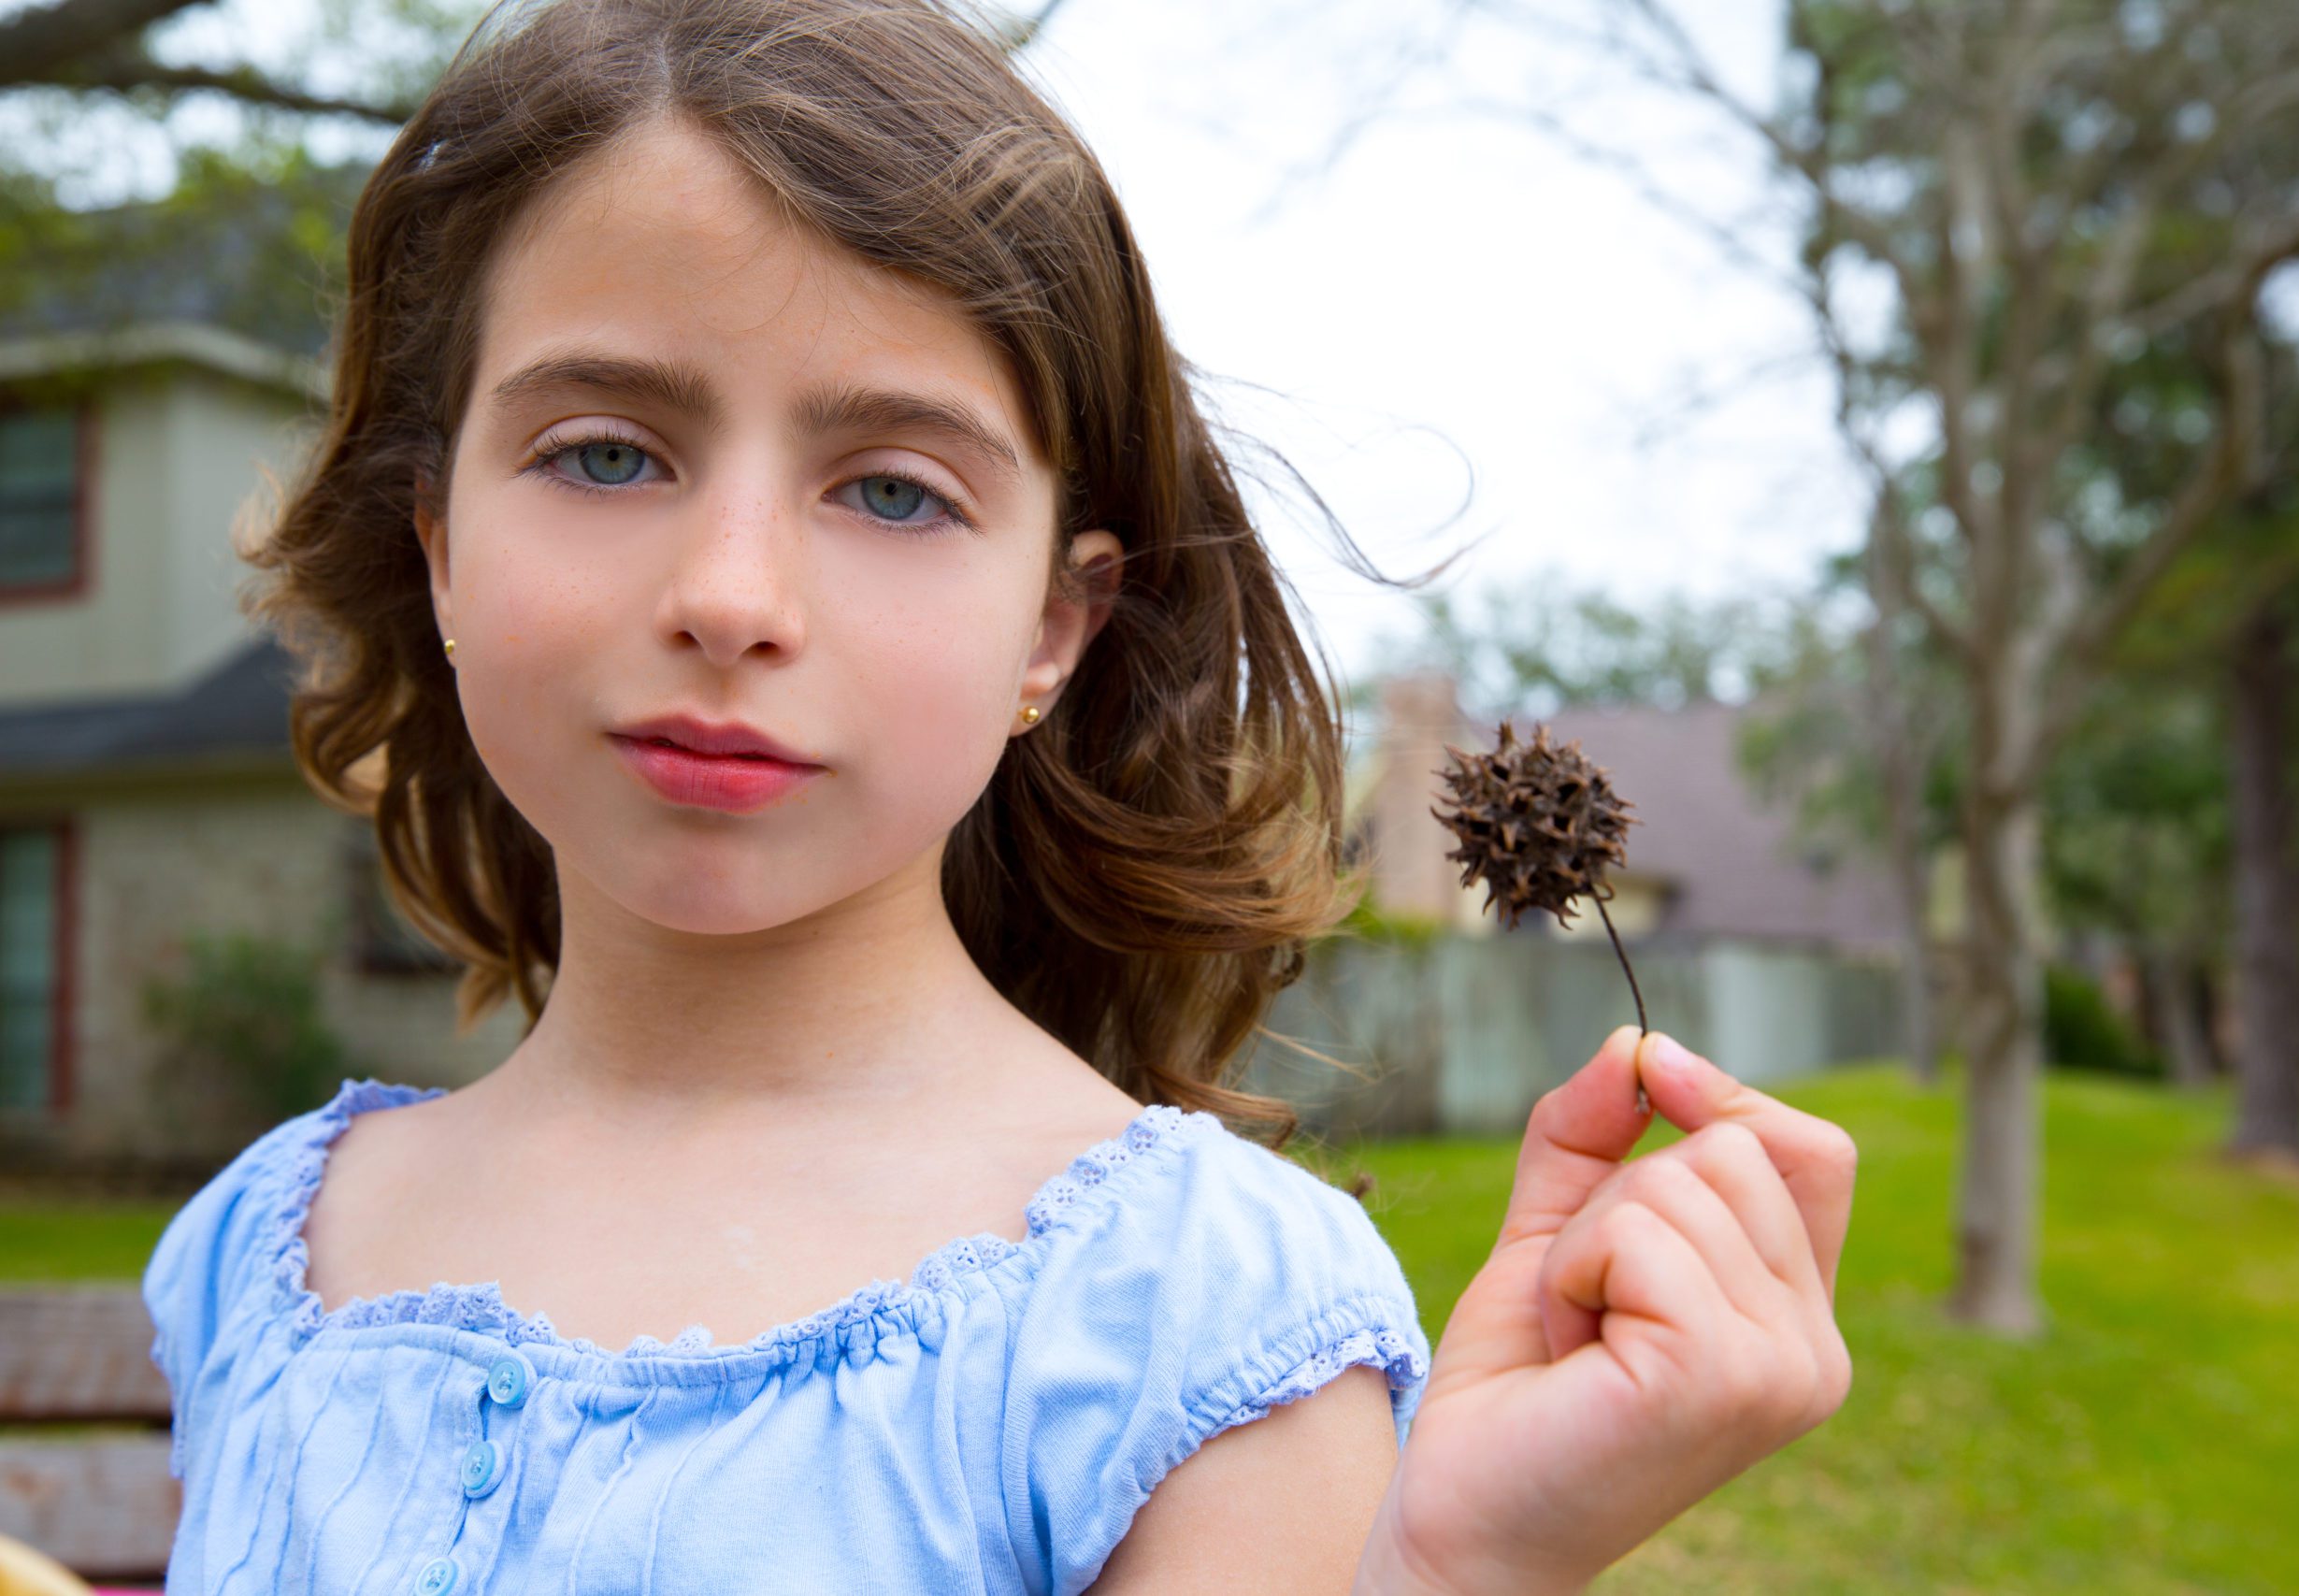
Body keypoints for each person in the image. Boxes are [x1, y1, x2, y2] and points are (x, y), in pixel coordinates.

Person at [138, 0, 1859, 1590]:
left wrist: (1451, 1574)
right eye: (606, 453)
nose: (732, 595)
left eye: (891, 491)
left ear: (1054, 625)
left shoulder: (1187, 1323)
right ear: (440, 547)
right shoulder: (261, 1254)